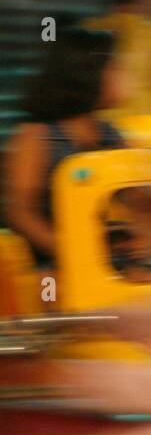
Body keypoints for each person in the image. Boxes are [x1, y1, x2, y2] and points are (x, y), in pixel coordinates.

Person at [4, 27, 124, 270]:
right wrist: (74, 254)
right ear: (88, 75)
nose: (123, 75)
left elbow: (136, 202)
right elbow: (20, 212)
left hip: (103, 264)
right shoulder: (36, 135)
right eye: (114, 67)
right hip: (50, 268)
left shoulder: (110, 133)